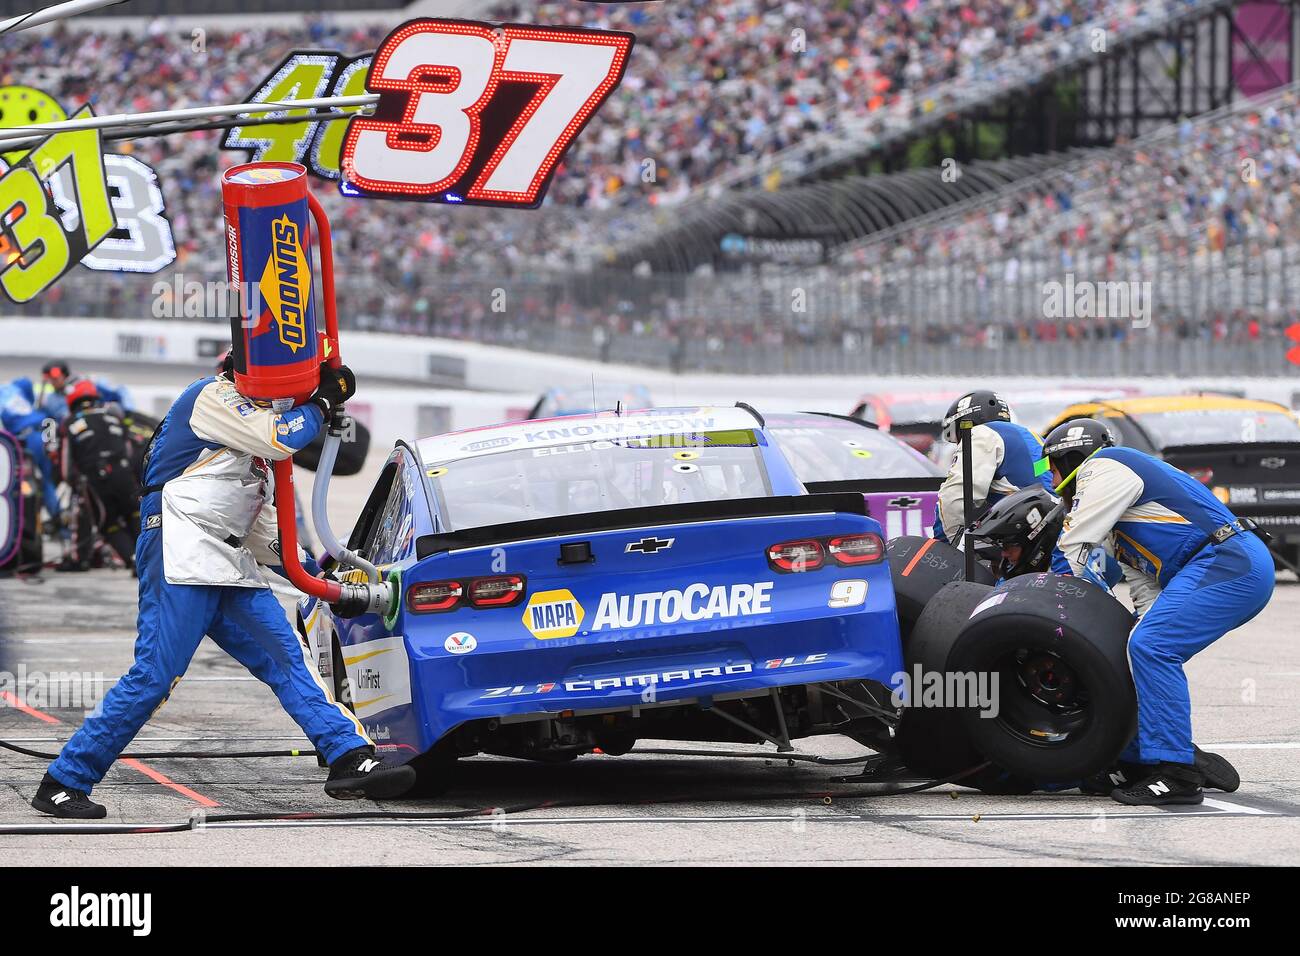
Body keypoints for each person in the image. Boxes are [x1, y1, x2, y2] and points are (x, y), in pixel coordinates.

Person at [31, 362, 414, 818]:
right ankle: (64, 780)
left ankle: (350, 755)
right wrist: (323, 403)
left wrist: (320, 577)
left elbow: (265, 529)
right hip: (180, 550)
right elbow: (279, 435)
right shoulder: (212, 396)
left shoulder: (254, 440)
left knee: (288, 661)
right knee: (155, 675)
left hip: (230, 562)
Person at [1043, 418, 1273, 806]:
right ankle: (1151, 755)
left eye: (1050, 465)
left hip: (1229, 560)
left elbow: (1075, 542)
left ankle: (1177, 774)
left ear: (1071, 458)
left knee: (1152, 647)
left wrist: (1044, 600)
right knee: (1137, 646)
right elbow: (1146, 596)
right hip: (1220, 564)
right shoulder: (1122, 527)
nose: (1049, 477)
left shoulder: (1108, 465)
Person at [933, 390, 1053, 543]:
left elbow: (954, 500)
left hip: (1031, 532)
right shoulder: (1032, 437)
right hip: (1052, 527)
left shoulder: (981, 433)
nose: (958, 444)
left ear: (966, 423)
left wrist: (944, 546)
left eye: (957, 438)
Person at [55, 380, 140, 572]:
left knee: (108, 523)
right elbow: (128, 450)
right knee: (134, 515)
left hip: (96, 479)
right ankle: (148, 560)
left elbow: (66, 465)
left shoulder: (69, 423)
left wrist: (72, 482)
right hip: (125, 474)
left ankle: (132, 559)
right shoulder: (113, 416)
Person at [966, 484, 1069, 579]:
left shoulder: (1066, 574)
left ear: (1036, 542)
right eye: (1002, 546)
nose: (1004, 554)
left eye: (1009, 546)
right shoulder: (1009, 574)